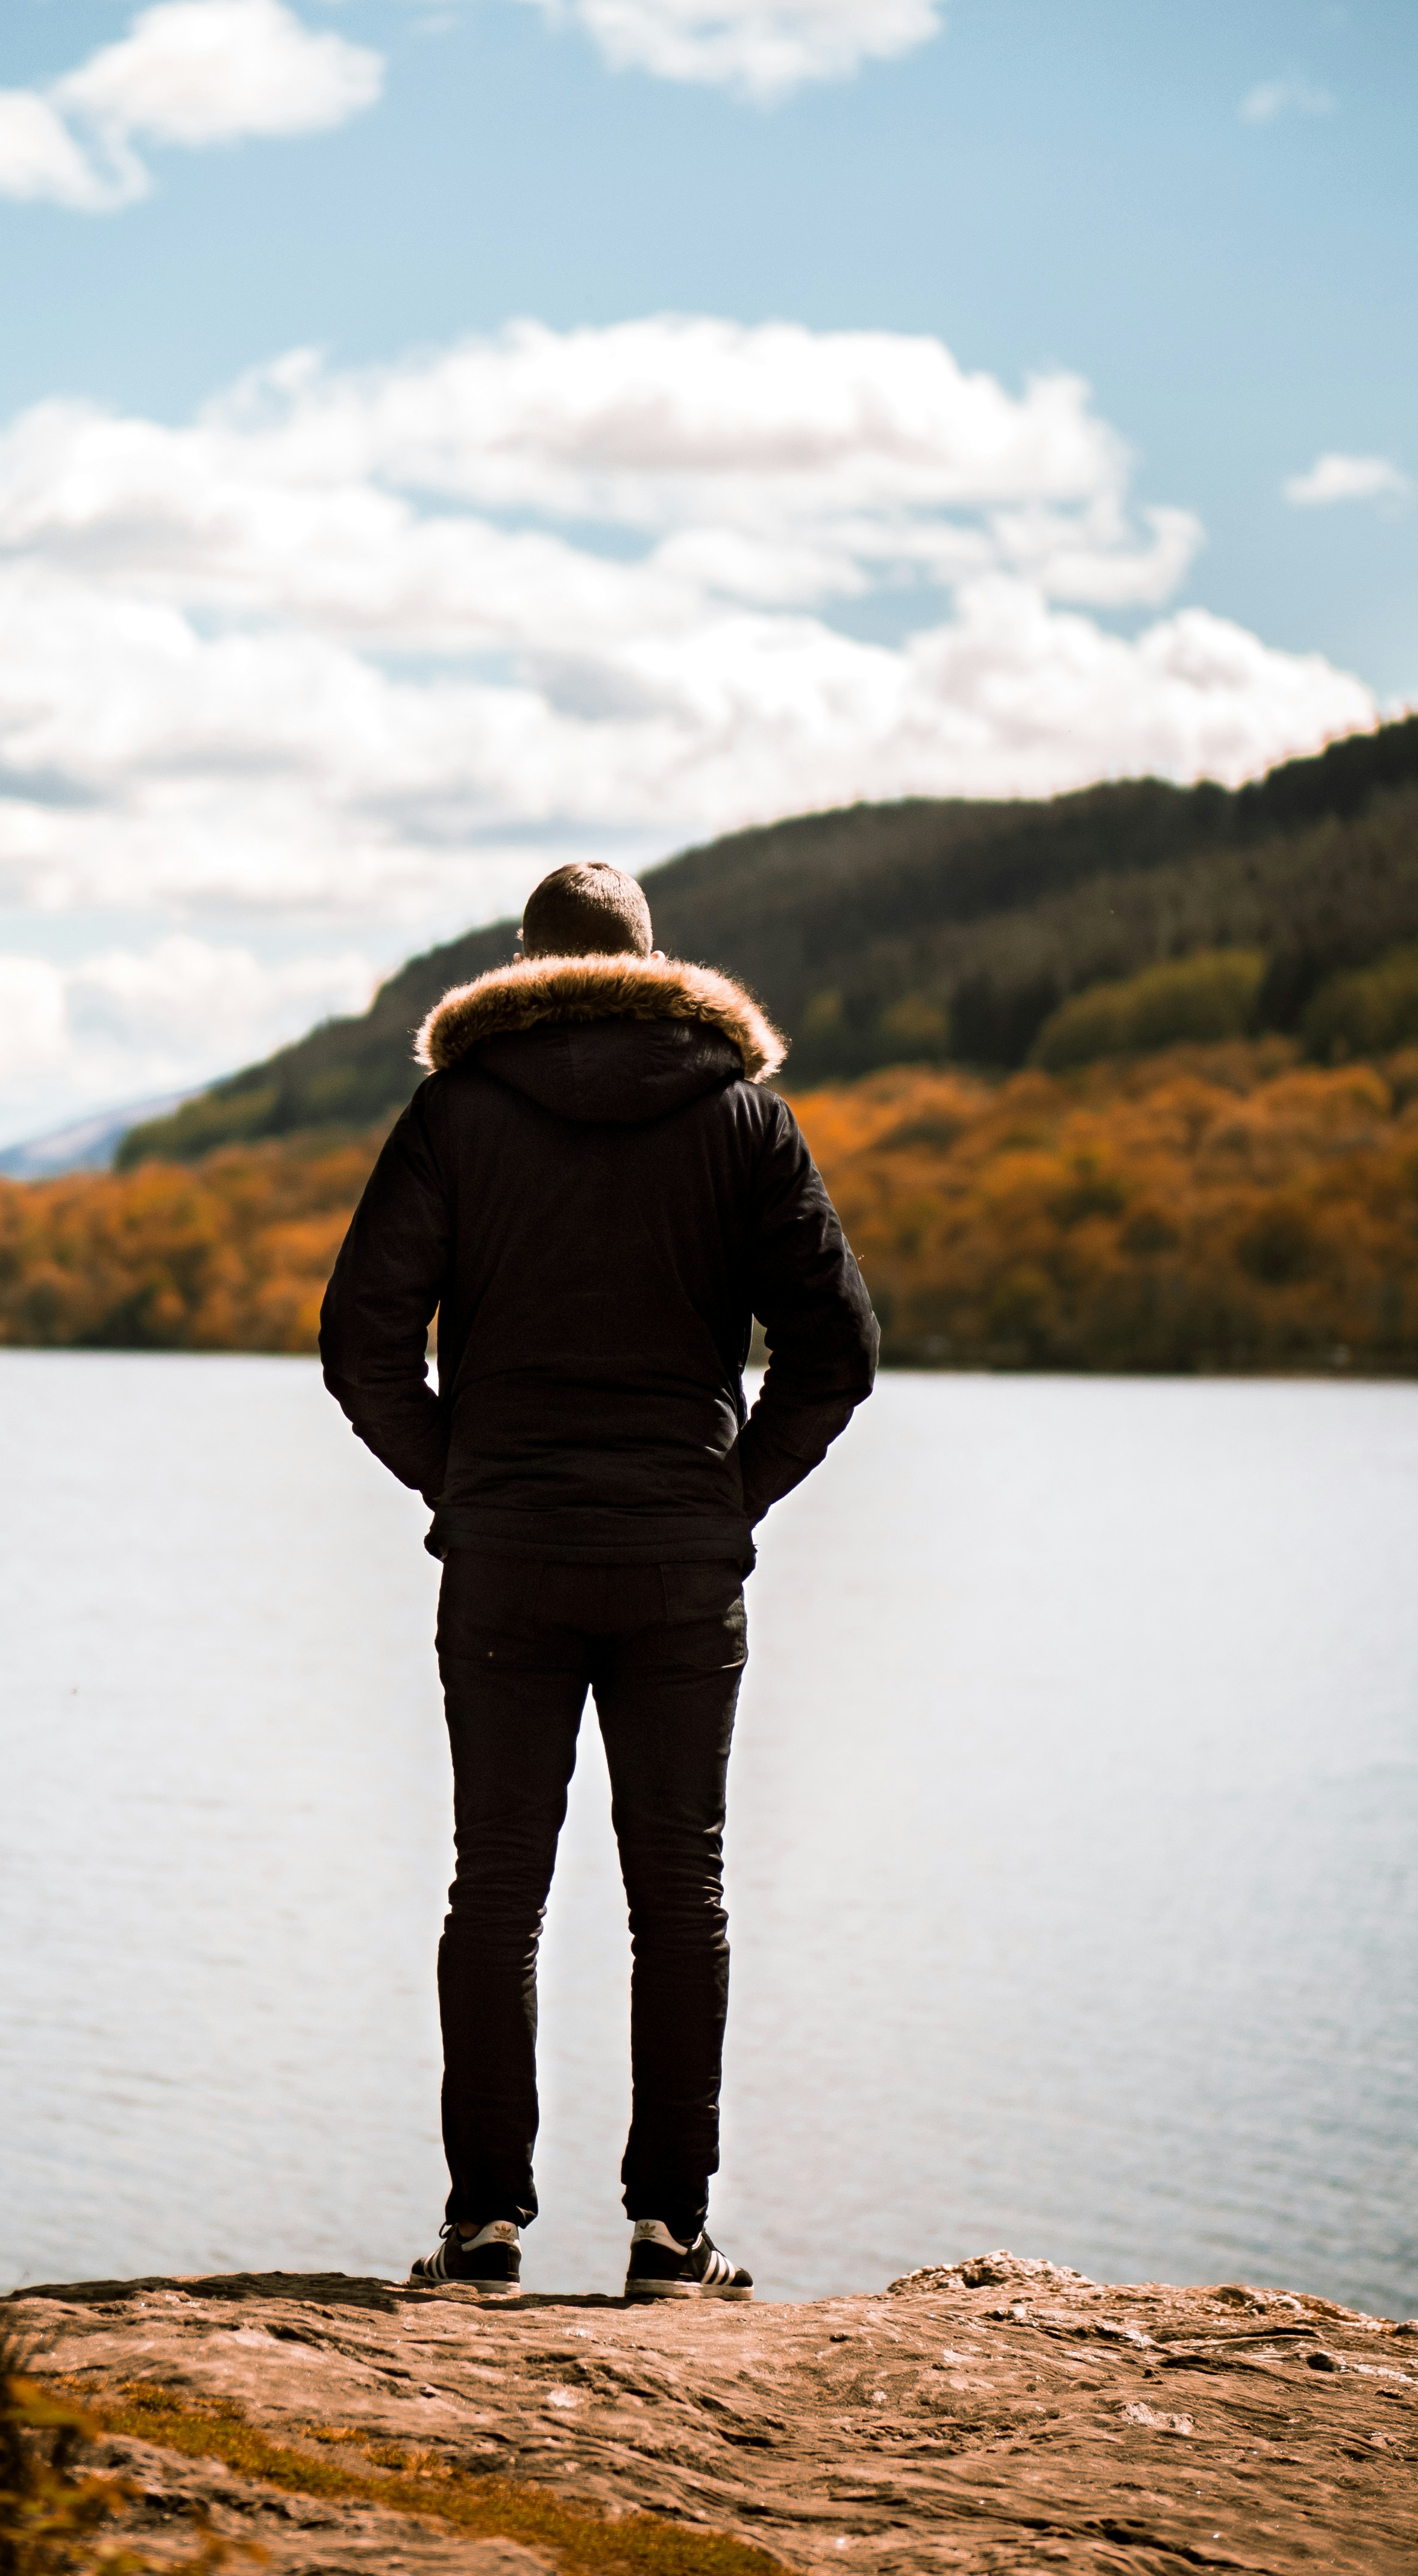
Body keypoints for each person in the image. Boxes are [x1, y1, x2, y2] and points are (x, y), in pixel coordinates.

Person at [319, 859, 879, 2301]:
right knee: (680, 1893)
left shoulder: (456, 1111)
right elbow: (840, 1350)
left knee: (496, 1888)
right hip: (680, 1567)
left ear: (523, 967)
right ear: (654, 963)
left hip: (507, 1561)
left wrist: (462, 1483)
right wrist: (728, 1498)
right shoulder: (744, 1120)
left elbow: (360, 1344)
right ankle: (670, 2238)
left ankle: (483, 2231)